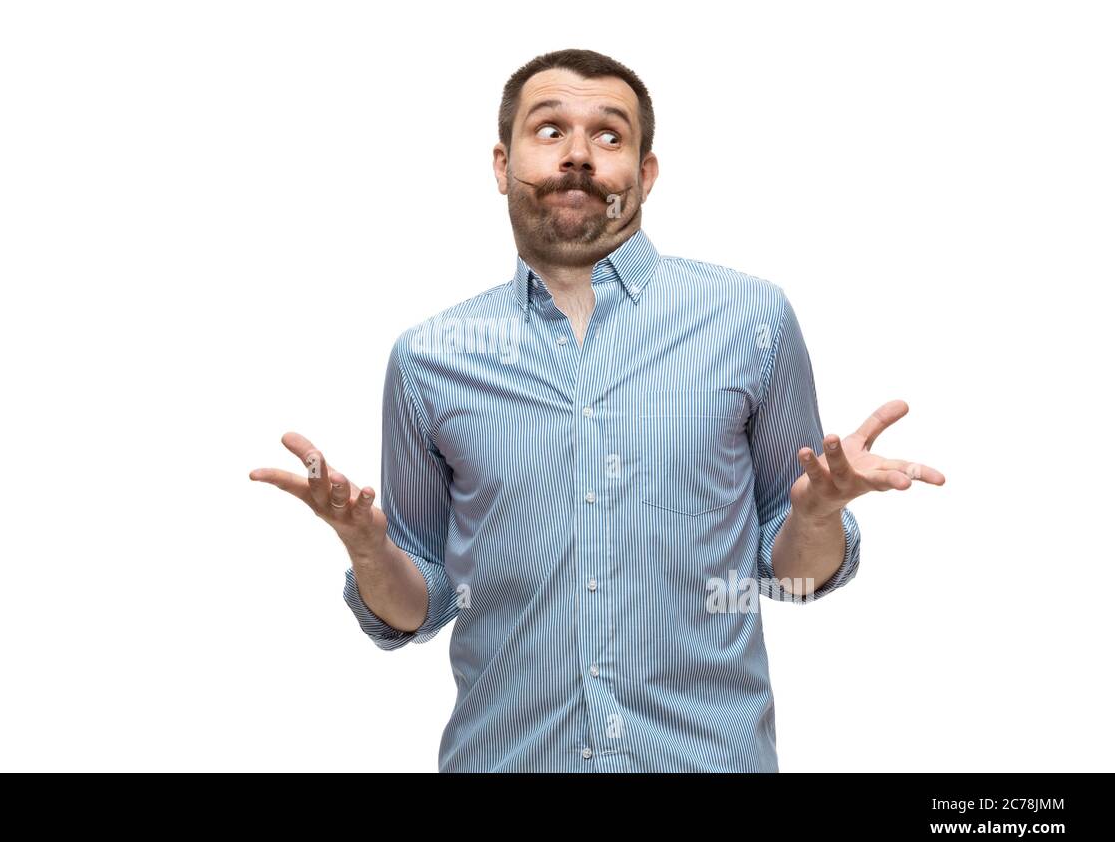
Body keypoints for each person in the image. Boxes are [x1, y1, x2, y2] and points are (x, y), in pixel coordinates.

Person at [250, 48, 945, 772]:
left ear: (645, 173)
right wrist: (369, 551)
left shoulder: (751, 321)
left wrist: (817, 515)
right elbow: (420, 604)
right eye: (549, 130)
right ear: (502, 165)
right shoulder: (429, 358)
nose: (578, 154)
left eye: (609, 135)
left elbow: (790, 573)